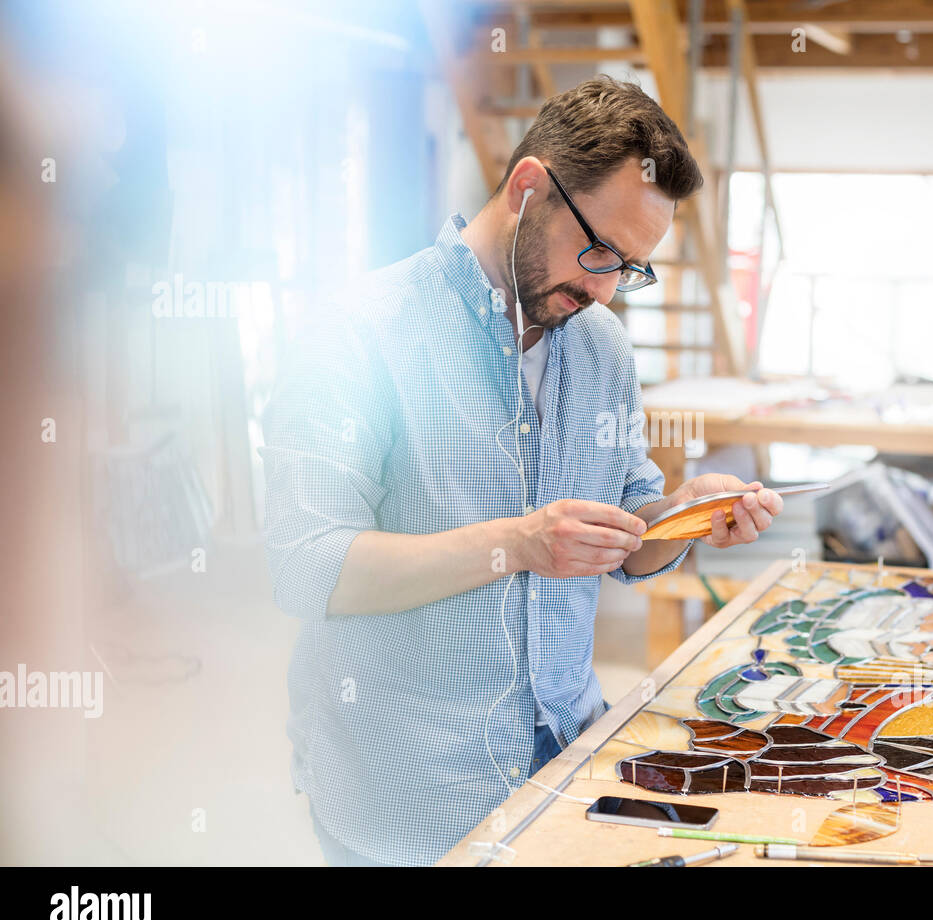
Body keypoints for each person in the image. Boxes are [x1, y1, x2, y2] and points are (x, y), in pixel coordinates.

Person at [259, 77, 785, 866]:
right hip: (412, 791)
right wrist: (520, 542)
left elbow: (629, 530)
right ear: (528, 187)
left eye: (631, 268)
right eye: (600, 251)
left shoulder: (599, 342)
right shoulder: (357, 333)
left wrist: (683, 514)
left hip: (566, 758)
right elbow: (306, 568)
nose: (605, 288)